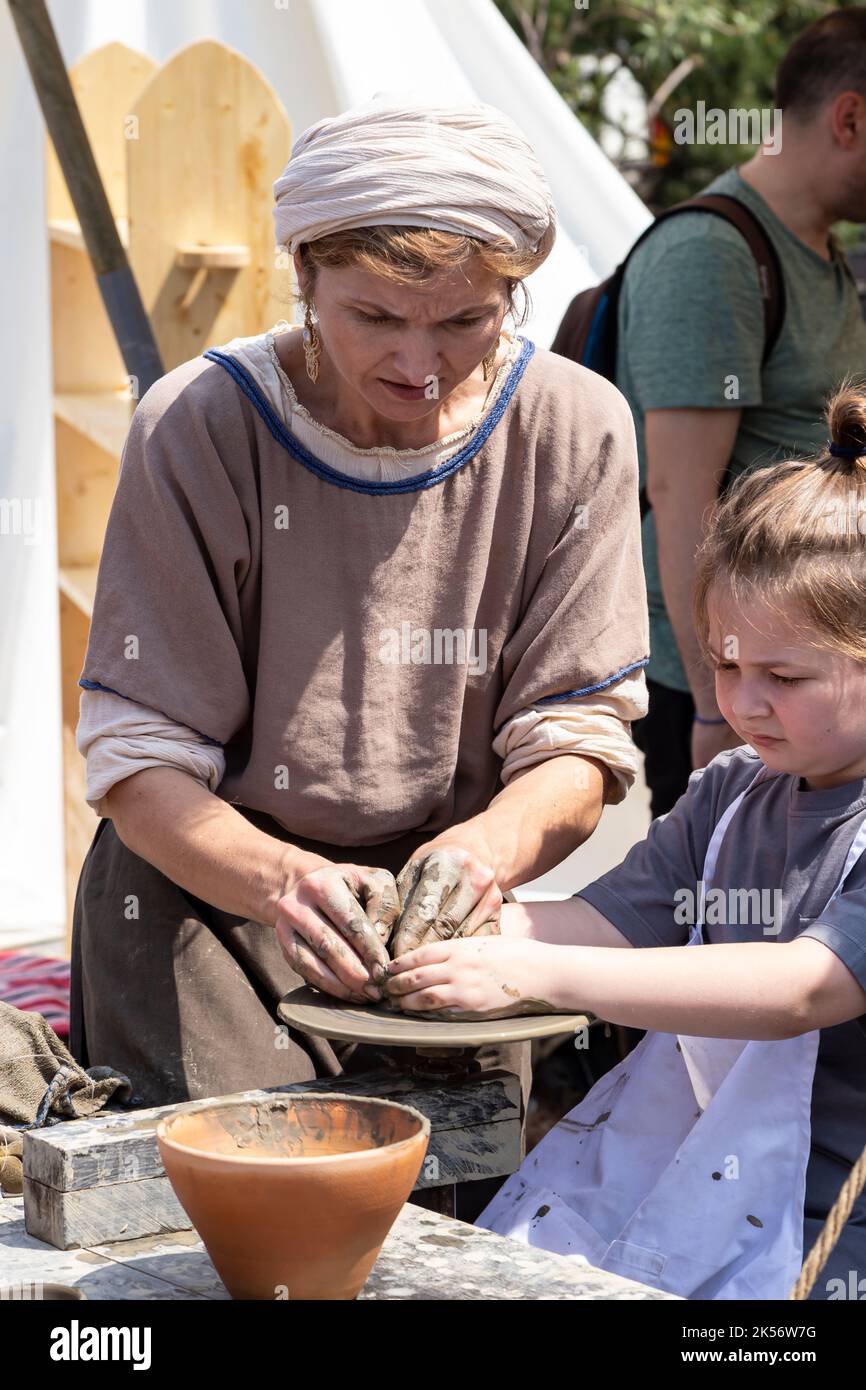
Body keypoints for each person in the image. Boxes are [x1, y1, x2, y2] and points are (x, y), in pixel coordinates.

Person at [68, 98, 650, 1181]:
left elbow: (578, 741)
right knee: (238, 1208)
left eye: (464, 320)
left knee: (452, 1215)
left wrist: (485, 854)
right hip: (208, 882)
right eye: (375, 317)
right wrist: (283, 882)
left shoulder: (575, 427)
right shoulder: (201, 423)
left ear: (513, 290)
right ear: (302, 274)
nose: (420, 362)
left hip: (447, 904)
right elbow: (136, 759)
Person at [383, 383, 866, 1299]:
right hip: (696, 1184)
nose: (743, 700)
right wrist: (442, 924)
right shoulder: (732, 792)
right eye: (723, 664)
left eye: (783, 674)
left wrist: (529, 977)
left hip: (826, 1231)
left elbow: (803, 987)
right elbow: (611, 922)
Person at [619, 7, 866, 817]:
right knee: (716, 931)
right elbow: (680, 495)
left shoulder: (821, 252)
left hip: (802, 680)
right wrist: (714, 702)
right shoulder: (713, 255)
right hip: (731, 693)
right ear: (851, 117)